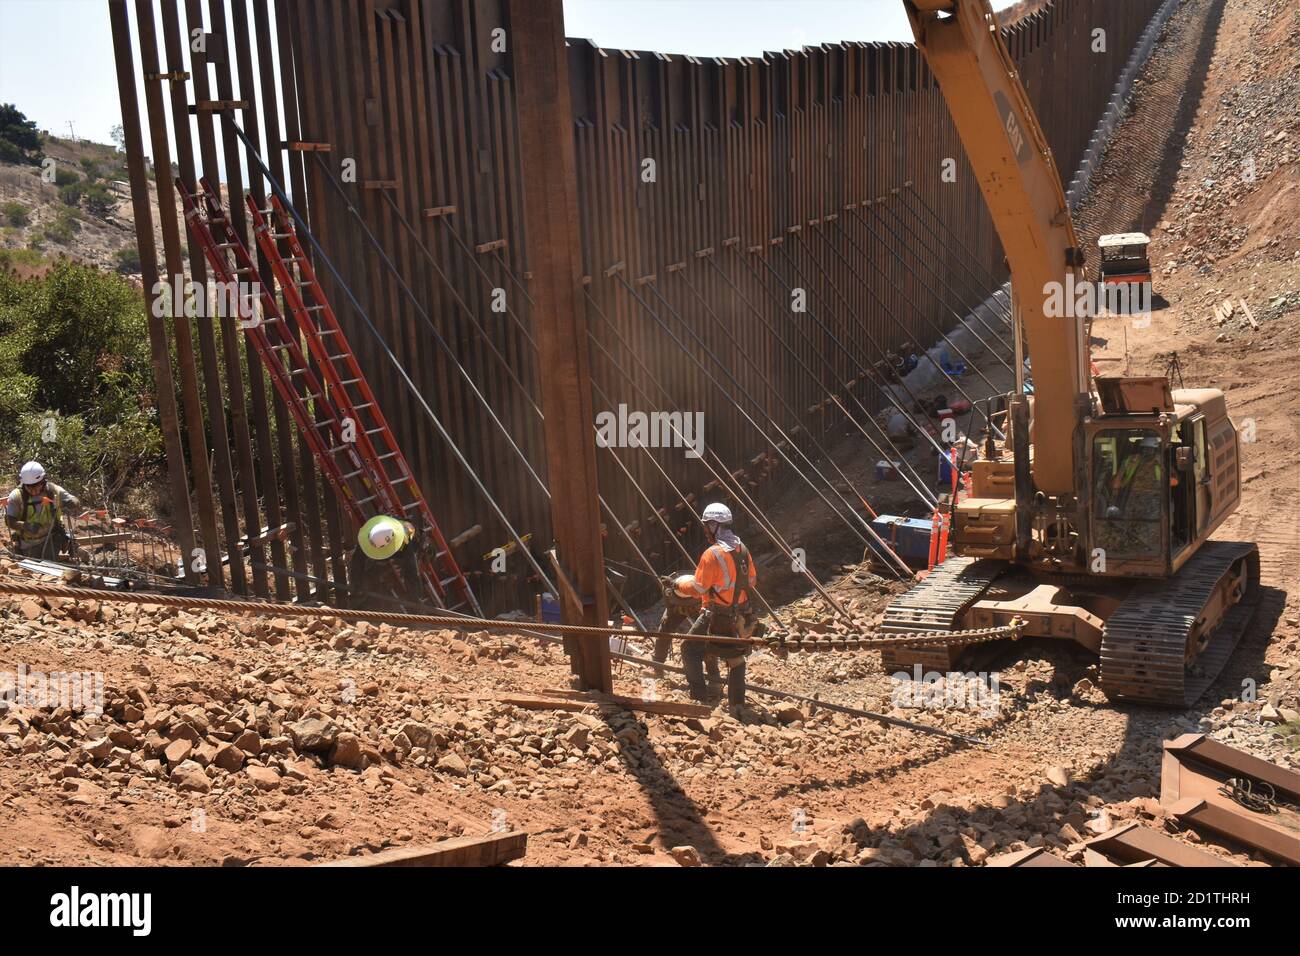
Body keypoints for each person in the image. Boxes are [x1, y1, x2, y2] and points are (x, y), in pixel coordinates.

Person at [671, 502, 757, 707]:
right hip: (740, 614)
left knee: (689, 649)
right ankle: (737, 705)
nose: (705, 531)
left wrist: (678, 584)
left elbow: (699, 588)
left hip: (717, 614)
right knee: (736, 658)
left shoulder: (712, 554)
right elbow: (752, 581)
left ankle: (699, 700)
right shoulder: (742, 548)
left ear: (712, 525)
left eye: (706, 526)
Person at [1095, 436, 1164, 556]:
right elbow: (1116, 483)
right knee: (1137, 526)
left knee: (1139, 526)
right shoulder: (1133, 461)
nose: (1147, 453)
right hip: (1140, 499)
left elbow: (1116, 484)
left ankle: (1138, 545)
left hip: (1147, 499)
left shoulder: (1156, 462)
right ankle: (1136, 546)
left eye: (1149, 450)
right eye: (1146, 450)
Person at [5, 461, 80, 560]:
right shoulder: (17, 496)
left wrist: (68, 502)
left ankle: (67, 543)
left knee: (49, 563)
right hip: (29, 543)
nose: (33, 491)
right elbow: (9, 521)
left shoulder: (52, 490)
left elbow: (75, 501)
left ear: (43, 481)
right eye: (29, 487)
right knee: (35, 567)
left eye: (36, 486)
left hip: (51, 538)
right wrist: (25, 525)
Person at [348, 514, 424, 609]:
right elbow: (356, 563)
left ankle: (414, 606)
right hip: (386, 538)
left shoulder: (407, 539)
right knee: (360, 569)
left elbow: (412, 572)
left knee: (410, 574)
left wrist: (415, 598)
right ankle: (357, 606)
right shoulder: (366, 537)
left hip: (406, 545)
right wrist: (355, 588)